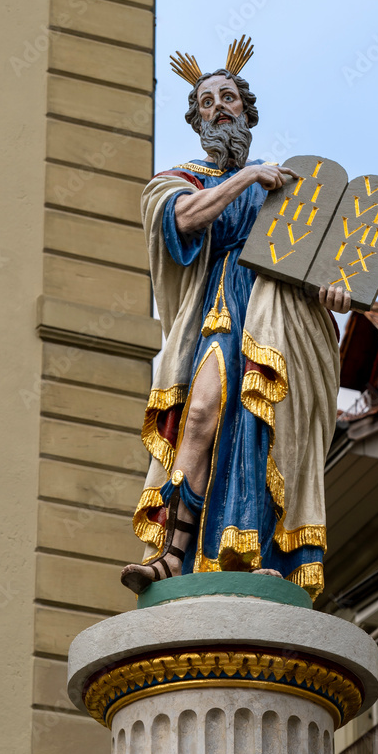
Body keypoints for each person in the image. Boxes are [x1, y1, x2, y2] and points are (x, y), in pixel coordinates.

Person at [121, 38, 350, 600]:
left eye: (228, 97)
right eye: (206, 102)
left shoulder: (291, 191)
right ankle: (173, 555)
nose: (218, 107)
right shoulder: (182, 178)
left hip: (279, 316)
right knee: (200, 415)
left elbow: (313, 267)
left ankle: (254, 554)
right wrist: (249, 178)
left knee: (268, 429)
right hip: (218, 305)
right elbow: (186, 217)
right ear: (197, 120)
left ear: (247, 110)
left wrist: (335, 293)